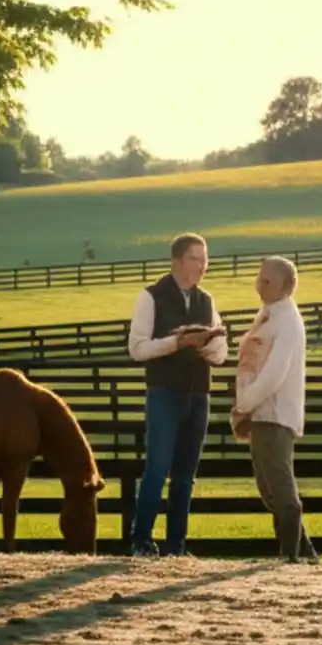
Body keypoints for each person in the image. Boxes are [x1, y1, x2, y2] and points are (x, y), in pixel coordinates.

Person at [127, 233, 228, 557]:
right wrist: (177, 343)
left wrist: (208, 345)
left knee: (185, 475)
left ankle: (176, 547)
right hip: (165, 392)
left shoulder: (207, 300)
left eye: (205, 259)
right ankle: (142, 540)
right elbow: (137, 348)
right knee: (157, 468)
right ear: (177, 261)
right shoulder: (151, 297)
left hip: (198, 395)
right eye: (196, 258)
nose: (203, 265)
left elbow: (222, 352)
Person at [232, 256, 317, 564]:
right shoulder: (268, 316)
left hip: (275, 414)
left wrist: (245, 402)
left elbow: (274, 373)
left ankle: (290, 553)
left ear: (285, 286)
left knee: (279, 488)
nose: (260, 285)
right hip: (262, 413)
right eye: (260, 278)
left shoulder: (287, 322)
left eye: (267, 280)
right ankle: (305, 552)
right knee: (268, 489)